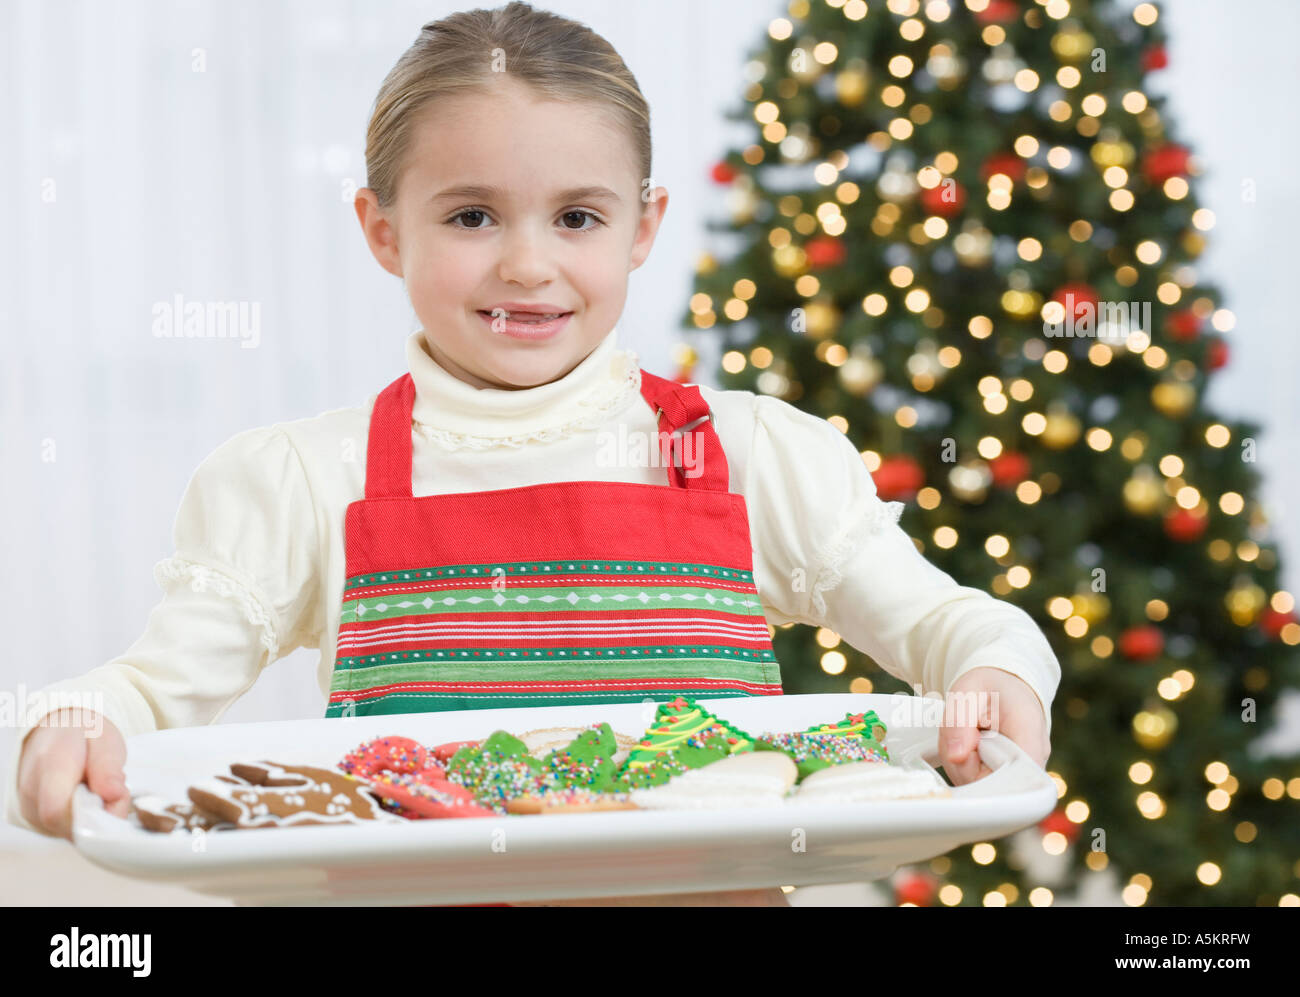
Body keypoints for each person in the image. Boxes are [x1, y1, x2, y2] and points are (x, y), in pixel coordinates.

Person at [9, 3, 1058, 906]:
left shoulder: (745, 456)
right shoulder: (301, 480)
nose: (526, 262)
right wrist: (70, 724)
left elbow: (944, 622)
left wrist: (991, 668)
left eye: (576, 217)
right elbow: (148, 690)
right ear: (381, 230)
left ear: (643, 227)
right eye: (471, 215)